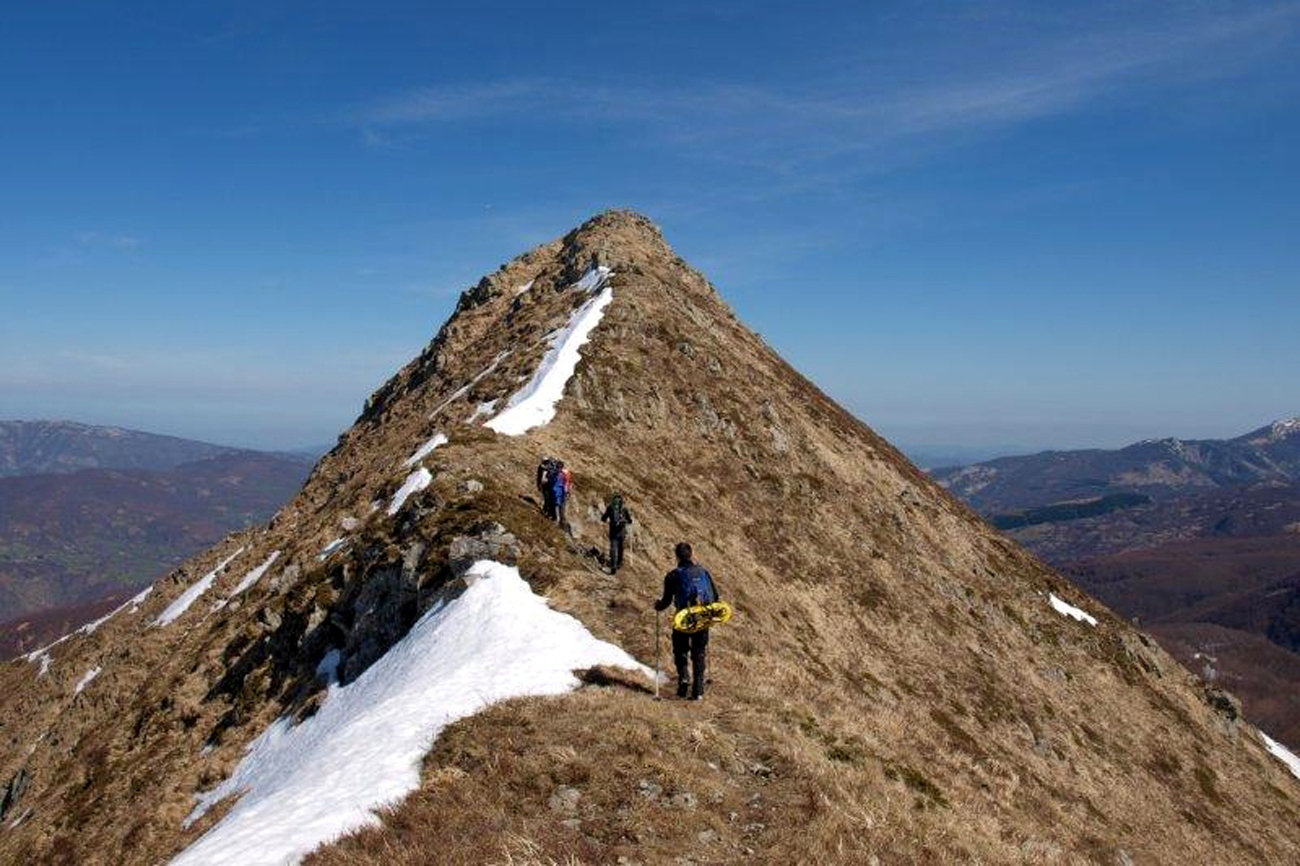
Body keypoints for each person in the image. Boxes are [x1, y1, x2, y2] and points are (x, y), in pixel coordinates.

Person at [653, 542, 719, 700]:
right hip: (702, 617)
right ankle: (698, 691)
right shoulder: (703, 572)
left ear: (677, 556)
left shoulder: (673, 576)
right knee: (699, 652)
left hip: (683, 617)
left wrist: (658, 605)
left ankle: (684, 677)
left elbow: (666, 601)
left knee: (680, 649)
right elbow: (715, 596)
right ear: (691, 554)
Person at [600, 492, 633, 574]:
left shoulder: (610, 508)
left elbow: (603, 518)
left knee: (614, 549)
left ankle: (613, 567)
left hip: (613, 532)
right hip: (621, 533)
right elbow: (630, 521)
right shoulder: (624, 509)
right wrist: (625, 521)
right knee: (620, 548)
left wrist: (605, 520)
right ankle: (619, 563)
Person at [551, 459, 573, 529]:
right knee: (561, 508)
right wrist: (568, 492)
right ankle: (561, 521)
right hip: (562, 492)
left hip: (558, 492)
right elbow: (569, 483)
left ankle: (559, 521)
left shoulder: (557, 473)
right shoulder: (566, 473)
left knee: (558, 506)